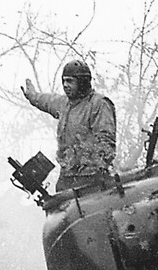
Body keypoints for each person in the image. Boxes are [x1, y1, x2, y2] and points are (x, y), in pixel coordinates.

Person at [21, 59, 116, 191]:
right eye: (64, 81)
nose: (65, 85)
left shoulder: (98, 104)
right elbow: (47, 101)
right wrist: (33, 96)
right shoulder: (65, 104)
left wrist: (92, 166)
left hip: (91, 178)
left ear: (82, 82)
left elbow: (106, 142)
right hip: (68, 177)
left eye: (70, 81)